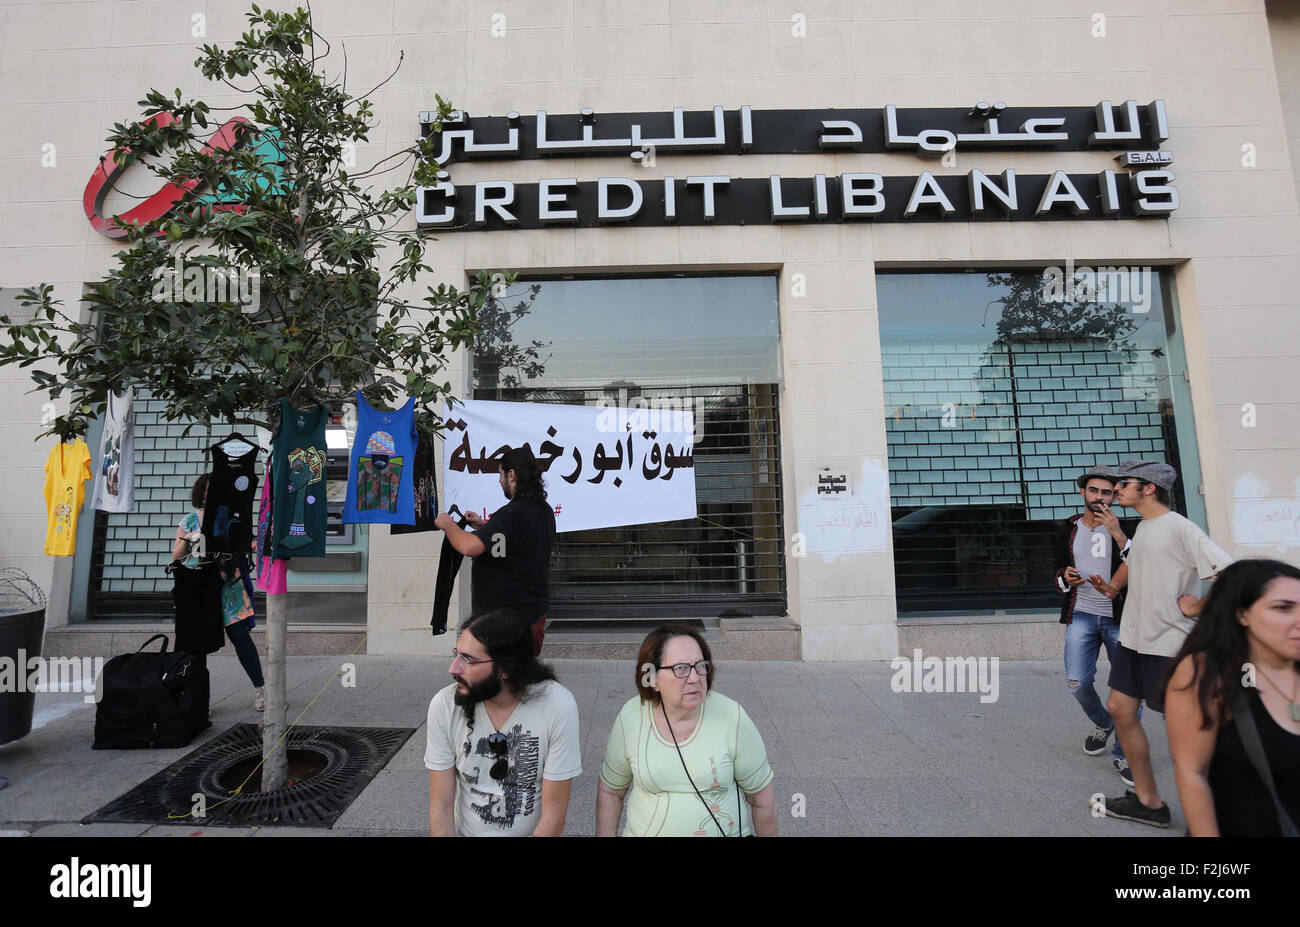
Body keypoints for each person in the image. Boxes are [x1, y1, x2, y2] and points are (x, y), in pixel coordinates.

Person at [1098, 460, 1232, 827]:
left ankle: (1217, 817)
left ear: (1149, 488)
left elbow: (1231, 574)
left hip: (1169, 646)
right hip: (1134, 640)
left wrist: (1197, 608)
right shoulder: (1144, 527)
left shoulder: (1179, 528)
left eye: (1124, 482)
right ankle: (1149, 802)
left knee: (1187, 737)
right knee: (1121, 710)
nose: (1117, 489)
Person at [596, 623, 778, 836]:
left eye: (700, 666)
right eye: (680, 669)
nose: (694, 678)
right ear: (653, 678)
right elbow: (611, 791)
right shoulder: (632, 716)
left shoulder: (732, 716)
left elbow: (762, 799)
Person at [425, 608, 581, 837]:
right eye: (457, 654)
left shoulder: (557, 705)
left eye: (468, 659)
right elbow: (441, 809)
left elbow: (553, 819)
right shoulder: (445, 705)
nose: (453, 668)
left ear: (506, 668)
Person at [1053, 465, 1136, 784]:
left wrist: (1116, 531)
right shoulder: (1068, 527)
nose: (1099, 497)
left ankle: (1125, 754)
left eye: (1106, 492)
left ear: (1115, 496)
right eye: (1093, 491)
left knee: (1126, 689)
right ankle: (1103, 722)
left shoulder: (1130, 526)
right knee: (1076, 682)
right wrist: (1065, 577)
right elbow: (1056, 569)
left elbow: (1139, 561)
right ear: (1083, 493)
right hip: (1082, 614)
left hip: (1120, 617)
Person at [435, 446, 556, 654]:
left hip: (508, 621)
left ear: (512, 475)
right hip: (533, 613)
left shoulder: (512, 513)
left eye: (500, 474)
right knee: (520, 677)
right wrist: (484, 528)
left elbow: (469, 546)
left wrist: (448, 524)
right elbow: (517, 544)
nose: (499, 480)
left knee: (503, 680)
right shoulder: (544, 510)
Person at [171, 473, 266, 710]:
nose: (210, 493)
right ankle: (197, 697)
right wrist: (189, 539)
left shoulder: (231, 518)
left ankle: (262, 690)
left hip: (229, 587)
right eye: (207, 489)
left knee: (241, 638)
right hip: (199, 587)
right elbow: (176, 557)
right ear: (200, 493)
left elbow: (248, 547)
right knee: (198, 642)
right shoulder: (190, 520)